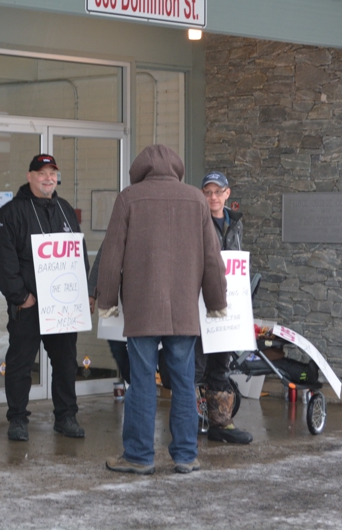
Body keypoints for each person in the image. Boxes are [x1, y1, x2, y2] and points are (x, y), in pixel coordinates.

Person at [96, 145, 227, 475]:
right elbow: (213, 258)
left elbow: (111, 254)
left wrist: (106, 301)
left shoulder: (129, 198)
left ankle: (139, 456)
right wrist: (217, 303)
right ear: (177, 169)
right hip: (184, 310)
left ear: (141, 169)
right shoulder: (197, 200)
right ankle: (185, 455)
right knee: (183, 382)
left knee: (141, 382)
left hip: (142, 309)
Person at [0, 154, 88, 442]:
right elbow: (2, 260)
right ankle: (17, 418)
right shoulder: (10, 214)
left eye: (52, 173)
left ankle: (66, 416)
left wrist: (83, 293)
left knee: (66, 362)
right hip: (29, 306)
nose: (48, 178)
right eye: (42, 172)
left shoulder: (65, 209)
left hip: (63, 305)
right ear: (29, 175)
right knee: (20, 364)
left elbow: (77, 252)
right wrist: (20, 296)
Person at [198, 171, 253, 444]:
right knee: (196, 368)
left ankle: (221, 423)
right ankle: (192, 422)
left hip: (229, 307)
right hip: (201, 306)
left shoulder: (236, 224)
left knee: (221, 366)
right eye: (208, 192)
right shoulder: (195, 221)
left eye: (218, 192)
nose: (213, 197)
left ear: (227, 194)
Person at [87, 243, 131, 385]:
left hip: (144, 301)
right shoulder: (118, 222)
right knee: (117, 346)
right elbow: (102, 256)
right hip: (115, 299)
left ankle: (138, 386)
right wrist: (91, 293)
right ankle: (133, 381)